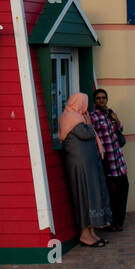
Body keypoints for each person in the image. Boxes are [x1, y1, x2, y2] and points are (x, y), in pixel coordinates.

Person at [57, 92, 112, 248]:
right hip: (80, 166)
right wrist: (88, 124)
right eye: (84, 103)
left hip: (88, 165)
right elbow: (86, 133)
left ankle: (92, 232)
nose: (85, 107)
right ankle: (85, 235)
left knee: (92, 195)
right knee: (84, 196)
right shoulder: (71, 117)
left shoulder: (80, 117)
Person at [89, 88, 130, 232]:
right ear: (94, 101)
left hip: (118, 160)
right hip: (107, 161)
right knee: (111, 194)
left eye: (104, 98)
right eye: (98, 98)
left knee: (124, 189)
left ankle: (119, 221)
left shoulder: (110, 114)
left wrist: (117, 120)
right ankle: (112, 221)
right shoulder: (93, 117)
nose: (101, 100)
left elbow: (120, 129)